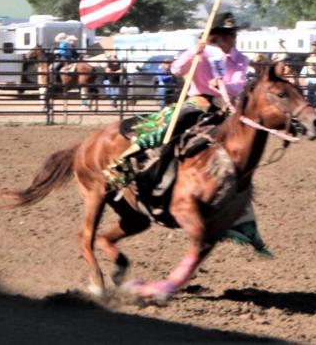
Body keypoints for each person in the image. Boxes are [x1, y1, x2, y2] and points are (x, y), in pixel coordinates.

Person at [108, 13, 269, 255]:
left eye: (231, 35)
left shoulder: (240, 59)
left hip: (226, 109)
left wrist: (223, 85)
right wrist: (194, 52)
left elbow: (238, 85)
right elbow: (176, 69)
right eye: (224, 36)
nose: (229, 40)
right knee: (172, 127)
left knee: (241, 153)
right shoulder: (202, 53)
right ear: (213, 37)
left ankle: (240, 215)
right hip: (198, 102)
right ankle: (130, 158)